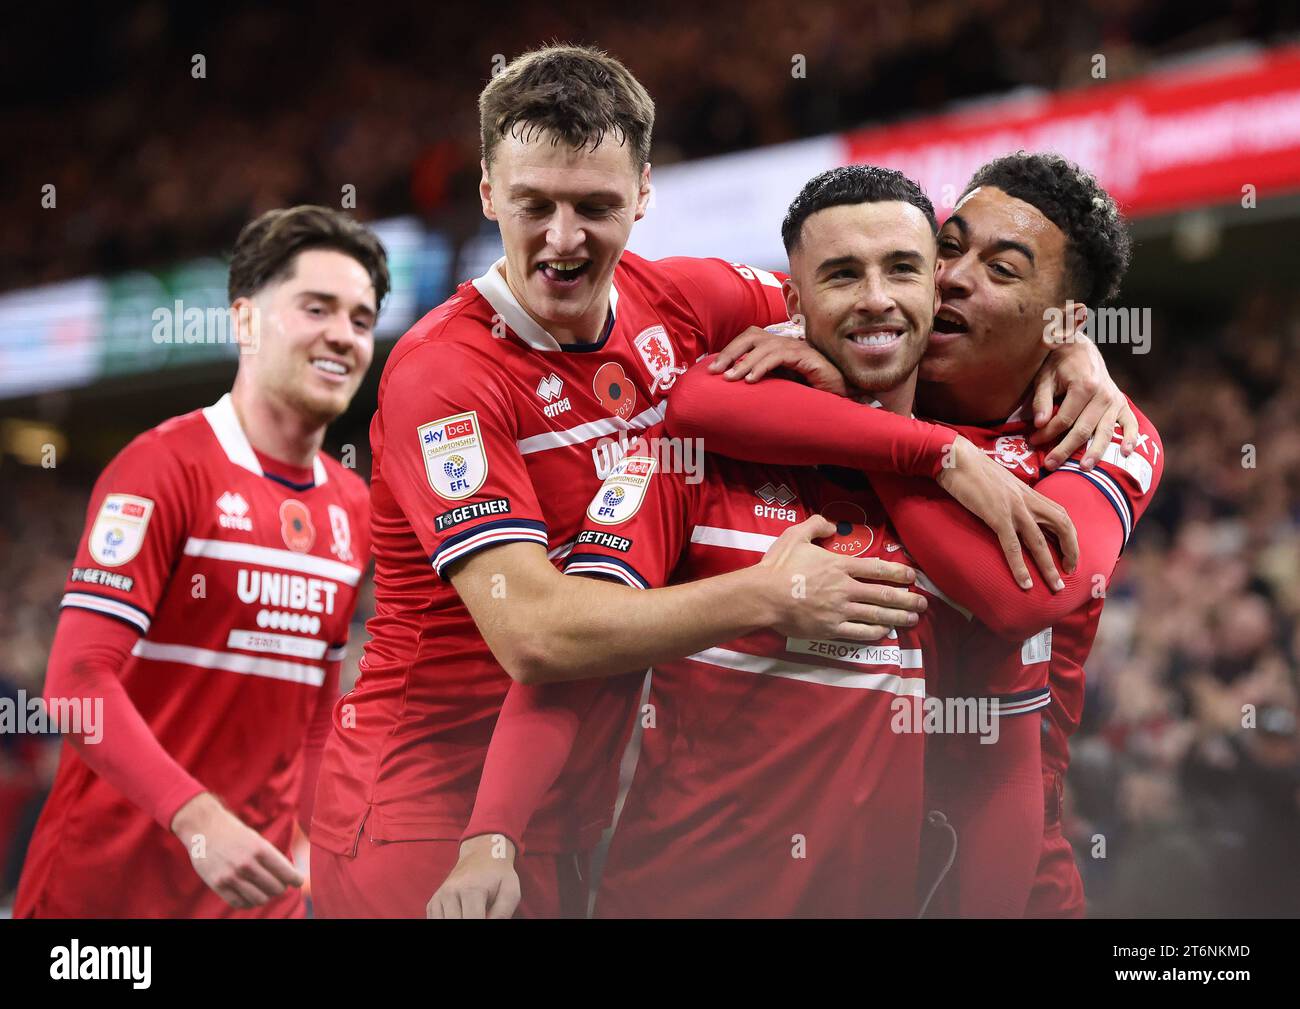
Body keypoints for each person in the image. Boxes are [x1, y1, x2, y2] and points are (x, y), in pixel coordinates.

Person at [307, 44, 932, 921]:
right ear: (489, 194)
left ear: (642, 194)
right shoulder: (443, 376)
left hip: (567, 811)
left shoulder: (683, 302)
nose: (563, 240)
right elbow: (535, 634)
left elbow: (877, 320)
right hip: (429, 819)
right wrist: (768, 595)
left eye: (596, 206)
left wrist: (1074, 354)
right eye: (534, 206)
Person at [432, 166, 1071, 918]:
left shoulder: (981, 501)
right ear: (794, 304)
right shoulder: (689, 458)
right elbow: (578, 661)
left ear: (935, 288)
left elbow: (1000, 764)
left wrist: (1070, 353)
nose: (874, 297)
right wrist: (492, 834)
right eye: (840, 275)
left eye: (900, 269)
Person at [666, 151, 1165, 916]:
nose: (953, 277)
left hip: (1004, 869)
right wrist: (931, 451)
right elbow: (699, 401)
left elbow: (1021, 594)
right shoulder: (876, 325)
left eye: (1002, 270)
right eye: (951, 246)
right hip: (824, 861)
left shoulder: (1098, 433)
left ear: (1064, 321)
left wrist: (875, 430)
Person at [14, 206, 386, 917]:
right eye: (317, 307)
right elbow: (76, 680)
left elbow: (314, 715)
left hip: (255, 900)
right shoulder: (161, 467)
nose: (344, 333)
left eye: (362, 318)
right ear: (245, 321)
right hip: (103, 905)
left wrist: (331, 842)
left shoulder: (353, 507)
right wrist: (196, 816)